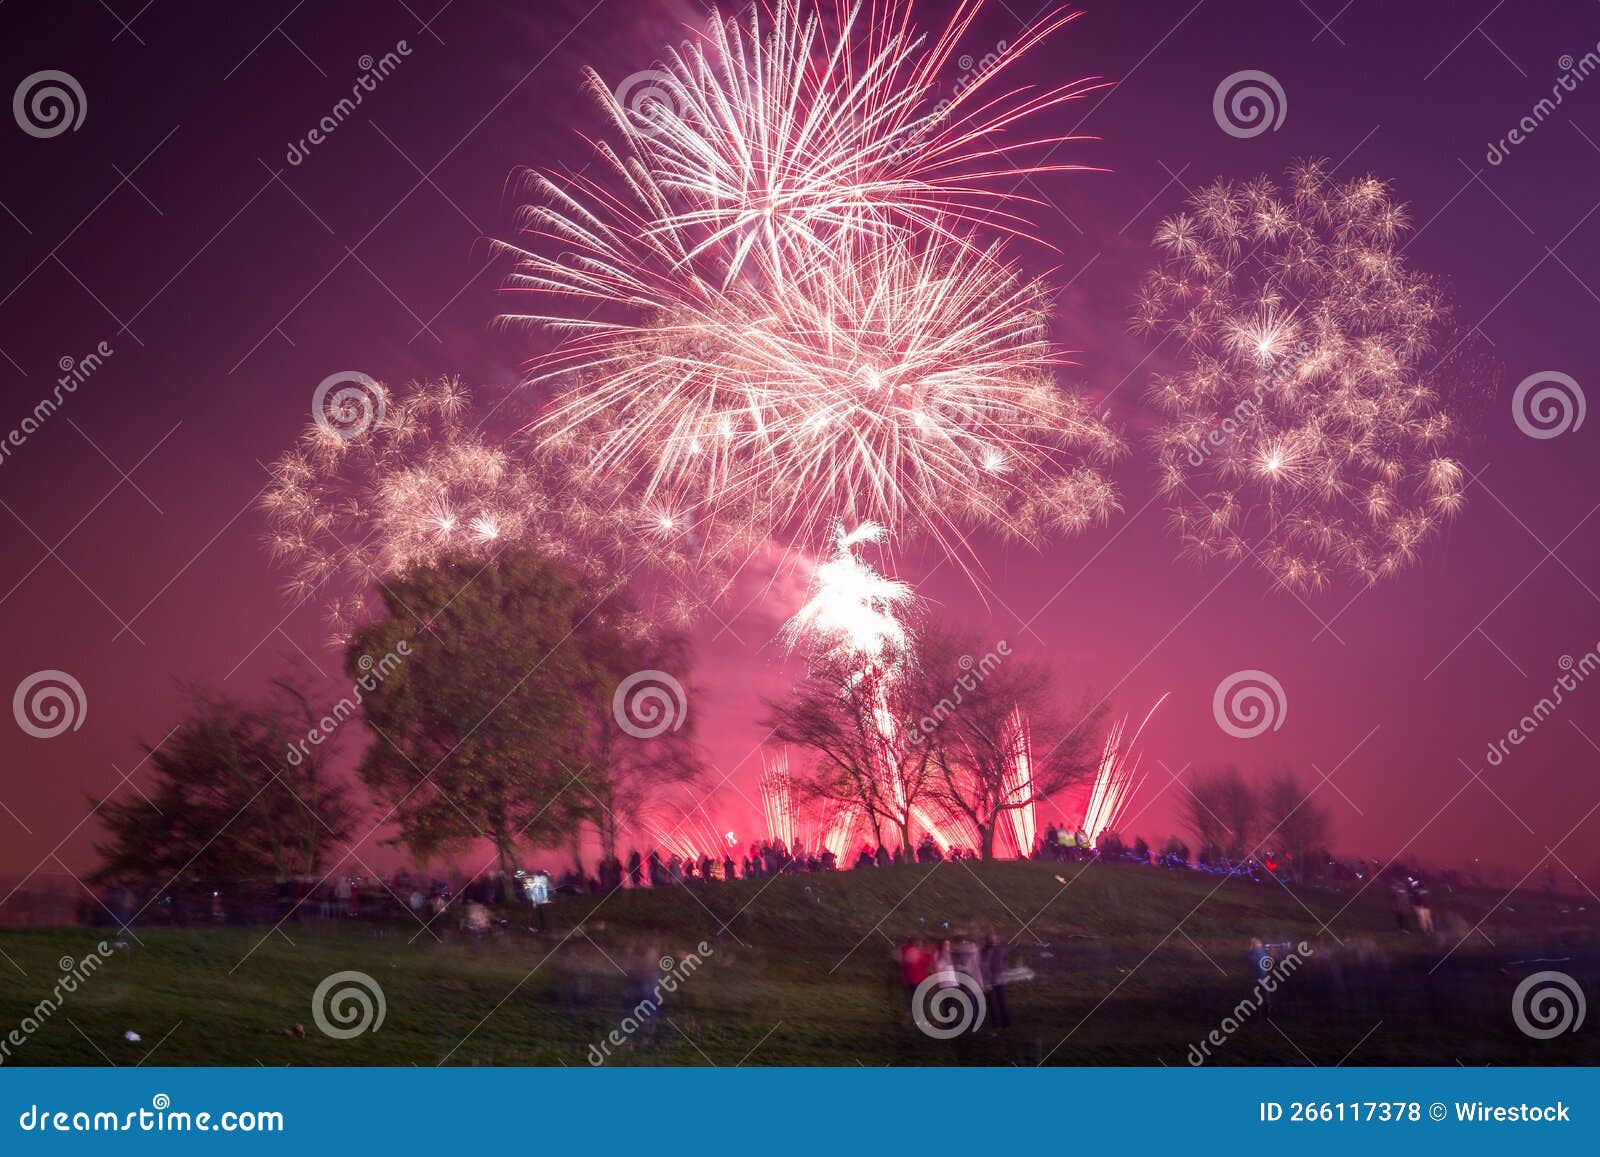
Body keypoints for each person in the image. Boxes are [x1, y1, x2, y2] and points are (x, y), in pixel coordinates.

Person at [981, 932, 1010, 1030]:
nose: (992, 941)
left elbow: (1005, 960)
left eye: (993, 939)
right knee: (993, 1003)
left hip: (998, 979)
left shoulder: (1001, 950)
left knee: (1001, 1002)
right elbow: (982, 965)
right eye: (990, 939)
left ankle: (1005, 1024)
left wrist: (1002, 970)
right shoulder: (983, 951)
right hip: (989, 981)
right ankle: (997, 1024)